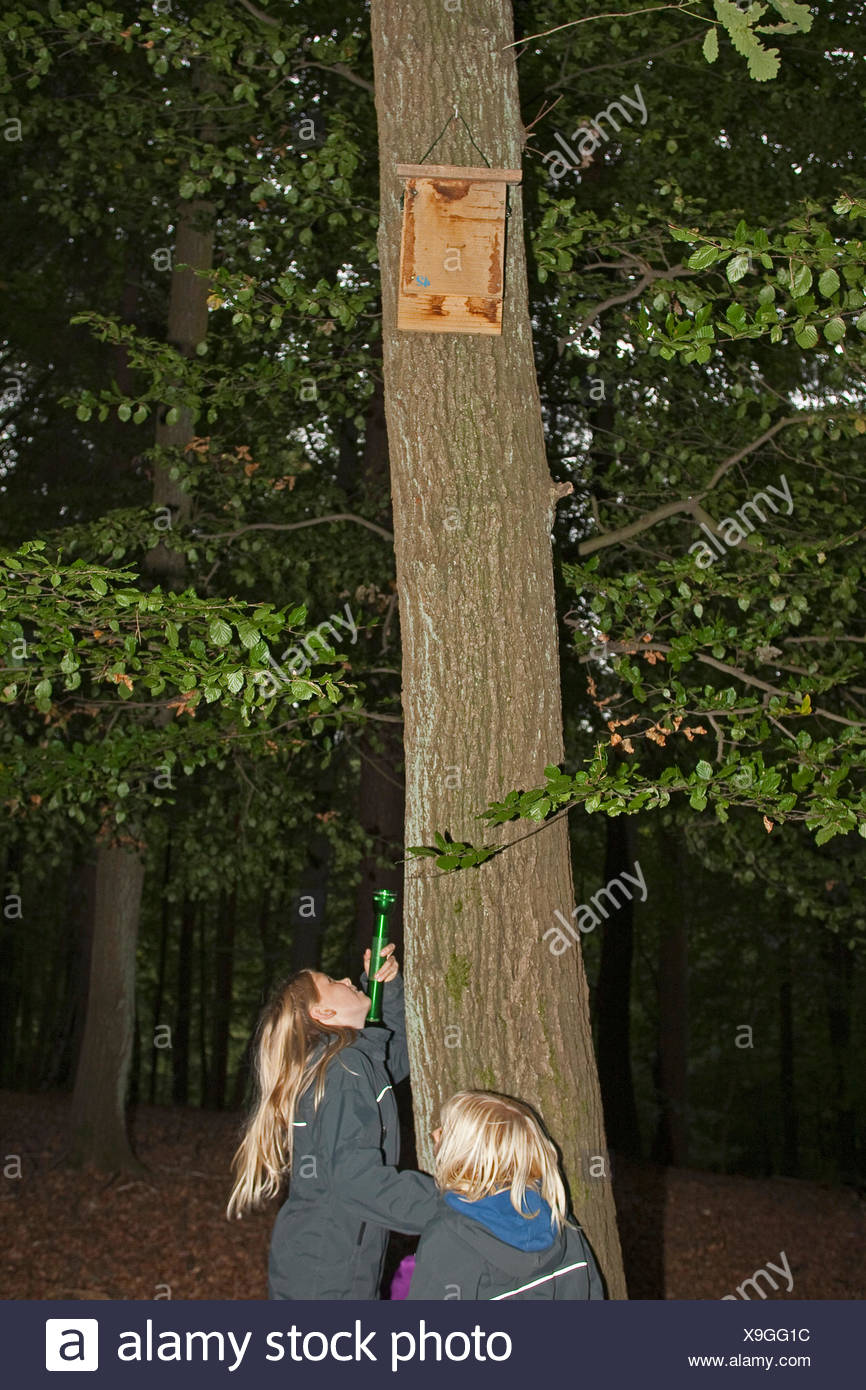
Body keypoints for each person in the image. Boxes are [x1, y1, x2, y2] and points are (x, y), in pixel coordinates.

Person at [226, 941, 438, 1299]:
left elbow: (395, 1057)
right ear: (322, 1014)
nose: (344, 978)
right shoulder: (342, 1070)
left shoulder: (347, 1062)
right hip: (324, 1281)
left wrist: (385, 989)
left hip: (326, 1269)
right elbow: (357, 1180)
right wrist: (454, 1205)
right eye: (331, 981)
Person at [407, 1090, 605, 1300]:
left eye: (446, 1131)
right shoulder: (558, 1219)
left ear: (464, 1156)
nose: (435, 1134)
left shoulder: (448, 1237)